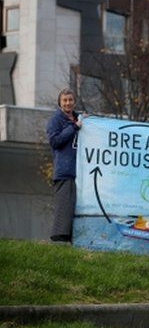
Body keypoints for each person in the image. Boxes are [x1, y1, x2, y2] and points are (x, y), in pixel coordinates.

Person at [46, 88, 82, 243]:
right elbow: (54, 142)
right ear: (60, 103)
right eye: (65, 100)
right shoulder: (55, 120)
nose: (68, 103)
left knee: (76, 208)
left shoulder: (79, 118)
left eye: (70, 100)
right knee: (64, 208)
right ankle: (58, 240)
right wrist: (73, 128)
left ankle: (73, 239)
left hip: (80, 172)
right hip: (64, 171)